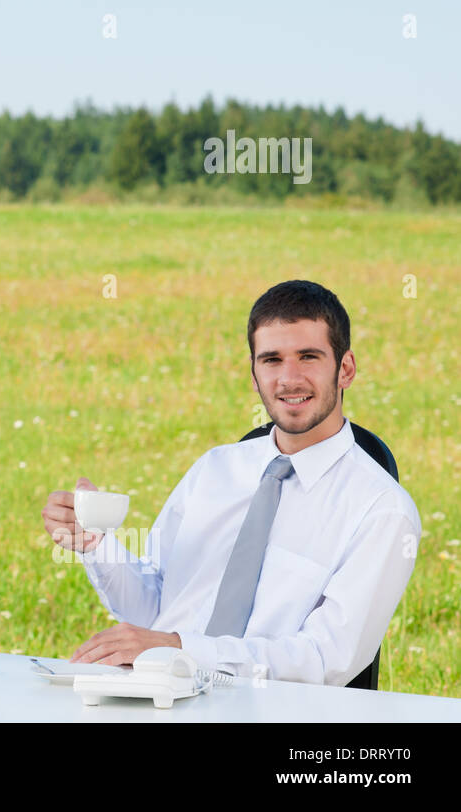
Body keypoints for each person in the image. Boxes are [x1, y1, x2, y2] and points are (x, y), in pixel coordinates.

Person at [41, 280, 420, 685]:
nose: (289, 379)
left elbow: (325, 660)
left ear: (344, 369)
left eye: (308, 357)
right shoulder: (215, 470)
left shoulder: (382, 509)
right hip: (158, 696)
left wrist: (181, 649)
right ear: (254, 375)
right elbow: (151, 610)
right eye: (272, 360)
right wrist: (96, 543)